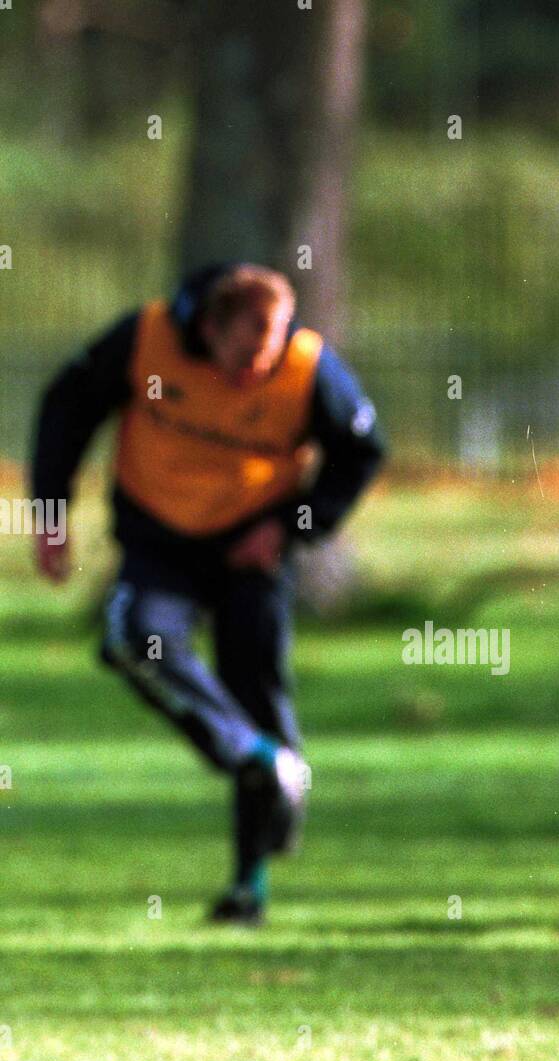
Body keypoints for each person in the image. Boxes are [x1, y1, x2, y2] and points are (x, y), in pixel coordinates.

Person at [31, 262, 385, 925]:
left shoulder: (307, 365)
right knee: (133, 639)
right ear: (210, 328)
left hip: (250, 551)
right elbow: (67, 406)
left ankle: (249, 888)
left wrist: (288, 527)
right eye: (246, 355)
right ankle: (260, 756)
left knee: (256, 688)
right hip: (158, 541)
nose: (259, 370)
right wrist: (50, 517)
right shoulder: (150, 338)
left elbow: (362, 451)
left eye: (271, 352)